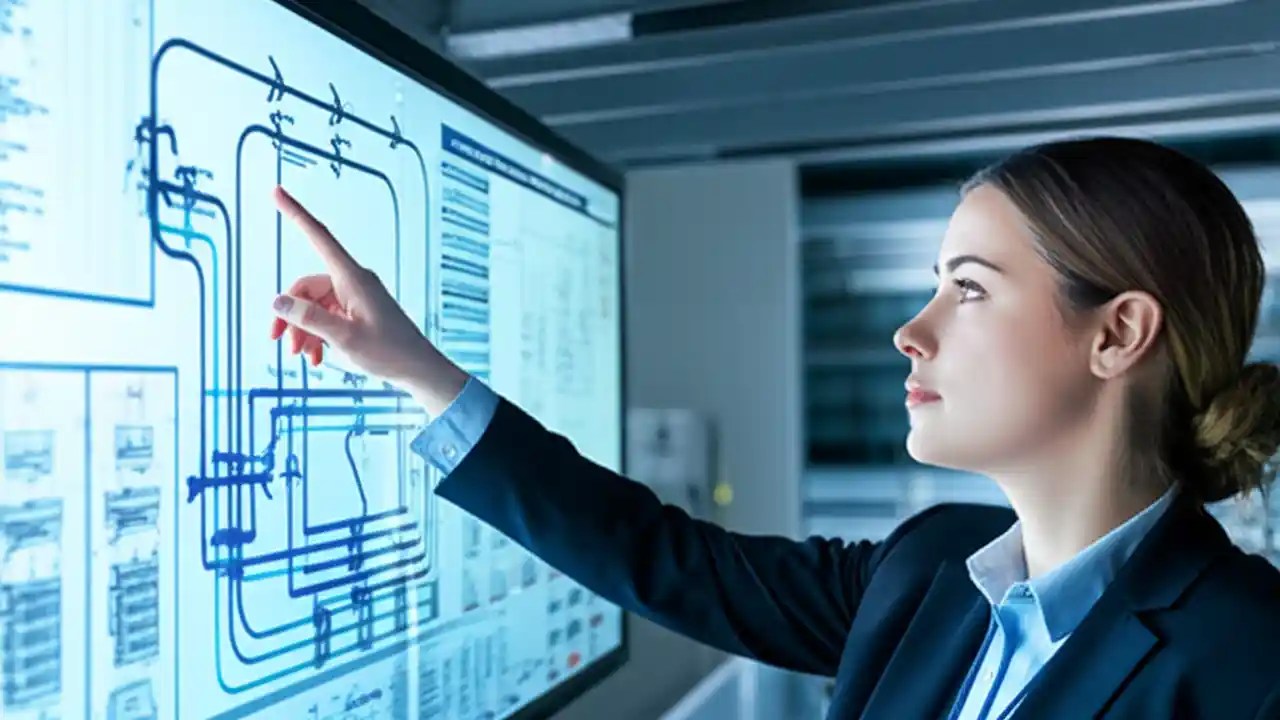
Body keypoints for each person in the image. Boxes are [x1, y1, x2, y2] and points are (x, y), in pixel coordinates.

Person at [267, 137, 1280, 719]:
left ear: (1117, 334)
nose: (907, 332)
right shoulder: (928, 565)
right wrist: (414, 368)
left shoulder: (1251, 656)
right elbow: (659, 558)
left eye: (966, 291)